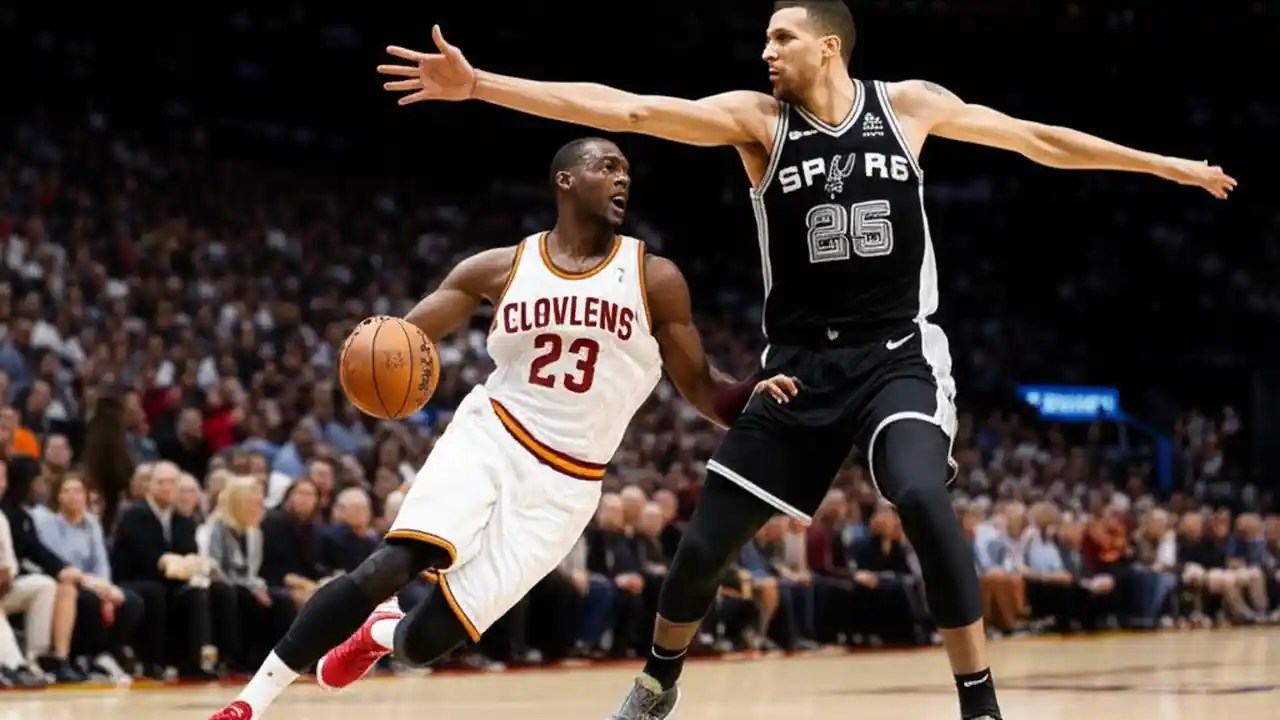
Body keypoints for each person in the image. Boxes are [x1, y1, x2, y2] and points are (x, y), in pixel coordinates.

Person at [375, 3, 1236, 718]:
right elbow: (628, 108)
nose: (765, 51)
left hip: (898, 355)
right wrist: (481, 85)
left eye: (780, 38)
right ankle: (657, 681)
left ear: (828, 44)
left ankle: (979, 703)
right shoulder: (760, 123)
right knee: (702, 549)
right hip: (797, 368)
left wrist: (1160, 165)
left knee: (923, 499)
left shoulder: (909, 107)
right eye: (764, 40)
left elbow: (1037, 140)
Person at [208, 137, 797, 719]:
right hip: (491, 435)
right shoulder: (498, 268)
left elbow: (704, 389)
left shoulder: (654, 278)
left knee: (424, 644)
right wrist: (372, 367)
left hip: (568, 484)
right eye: (607, 167)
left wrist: (752, 392)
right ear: (565, 180)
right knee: (391, 563)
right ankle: (247, 704)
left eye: (627, 171)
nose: (623, 179)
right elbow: (402, 340)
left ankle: (382, 632)